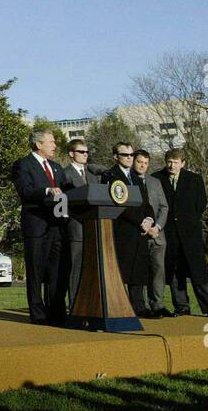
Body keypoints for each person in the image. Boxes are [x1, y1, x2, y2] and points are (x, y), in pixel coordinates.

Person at [154, 148, 208, 318]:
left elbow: (200, 204)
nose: (171, 165)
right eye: (169, 162)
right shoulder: (156, 179)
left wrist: (187, 222)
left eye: (175, 162)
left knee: (199, 271)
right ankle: (182, 306)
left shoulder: (194, 180)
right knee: (175, 271)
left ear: (183, 163)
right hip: (169, 233)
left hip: (190, 235)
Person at [12, 129, 68, 324]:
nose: (54, 145)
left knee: (56, 271)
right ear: (38, 144)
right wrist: (46, 190)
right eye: (51, 142)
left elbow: (66, 193)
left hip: (57, 226)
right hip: (36, 225)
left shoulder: (57, 167)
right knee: (36, 271)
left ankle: (57, 311)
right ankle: (38, 313)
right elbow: (25, 191)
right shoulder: (23, 165)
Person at [104, 143, 153, 316]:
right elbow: (119, 204)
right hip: (123, 230)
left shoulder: (136, 177)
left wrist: (149, 219)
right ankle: (120, 307)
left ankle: (139, 306)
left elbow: (146, 203)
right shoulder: (111, 176)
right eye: (125, 155)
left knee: (138, 269)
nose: (129, 158)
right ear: (116, 156)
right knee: (122, 270)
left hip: (140, 231)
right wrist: (140, 221)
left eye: (131, 155)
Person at [58, 138, 98, 307]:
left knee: (91, 267)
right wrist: (68, 221)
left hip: (93, 227)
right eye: (81, 152)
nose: (85, 155)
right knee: (76, 266)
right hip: (75, 227)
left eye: (87, 152)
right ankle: (75, 304)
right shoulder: (64, 174)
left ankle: (91, 302)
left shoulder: (92, 175)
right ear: (71, 153)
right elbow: (61, 205)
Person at [134, 150, 170, 317]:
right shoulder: (128, 180)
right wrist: (146, 227)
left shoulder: (155, 182)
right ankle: (140, 306)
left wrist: (157, 227)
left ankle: (158, 305)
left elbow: (164, 207)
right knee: (139, 272)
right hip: (138, 234)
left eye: (146, 163)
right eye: (139, 162)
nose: (143, 165)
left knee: (158, 271)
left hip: (157, 236)